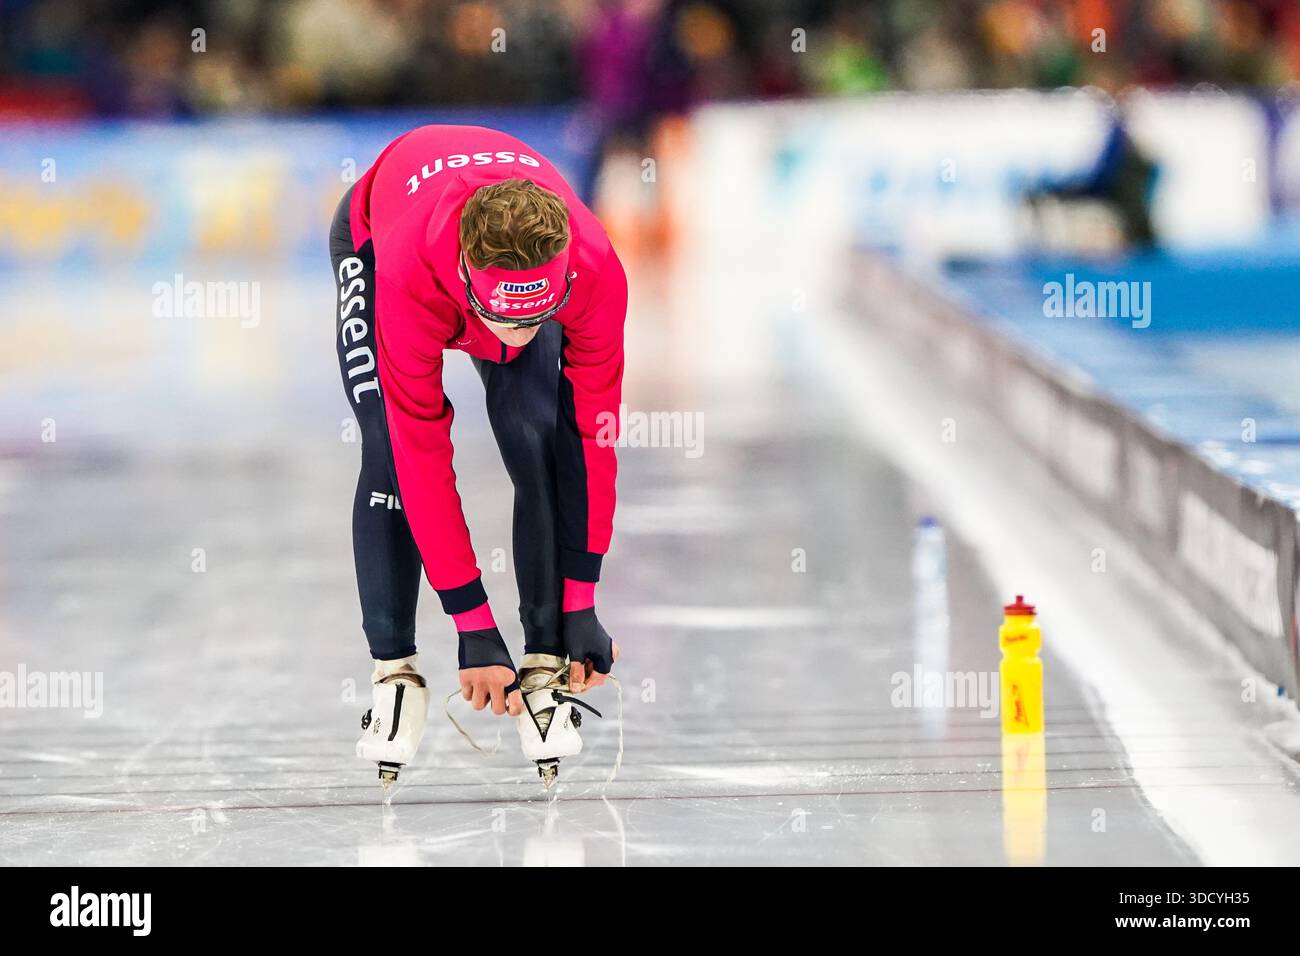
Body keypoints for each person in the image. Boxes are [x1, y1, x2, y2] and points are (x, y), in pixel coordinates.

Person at [332, 125, 626, 788]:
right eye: (508, 320)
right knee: (386, 455)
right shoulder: (408, 276)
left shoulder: (596, 267)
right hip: (376, 241)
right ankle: (394, 673)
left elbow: (593, 438)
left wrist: (582, 598)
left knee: (541, 436)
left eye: (536, 320)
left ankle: (545, 665)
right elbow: (423, 453)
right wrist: (472, 624)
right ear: (468, 276)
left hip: (483, 278)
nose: (519, 336)